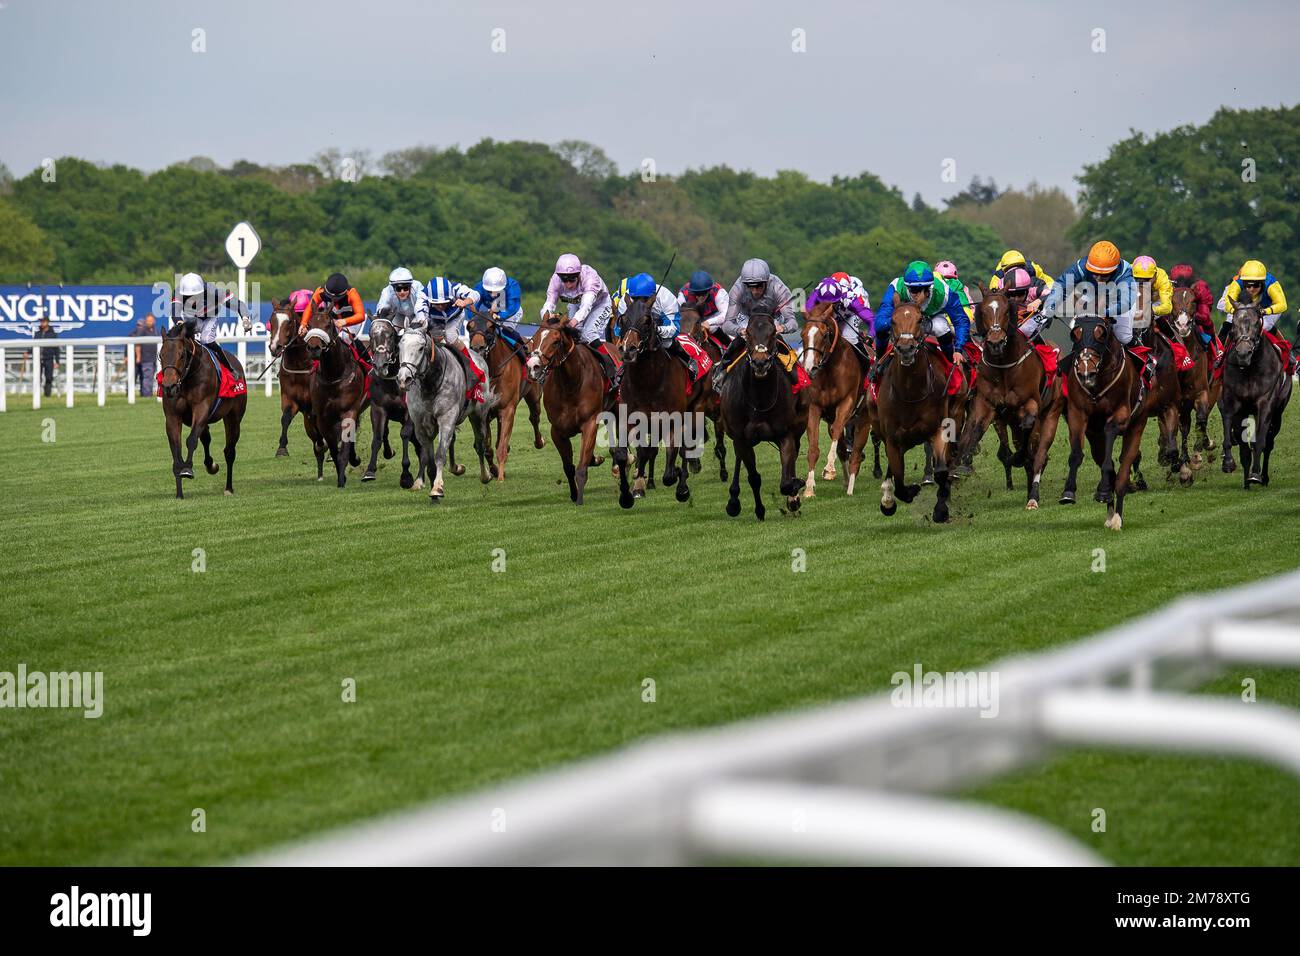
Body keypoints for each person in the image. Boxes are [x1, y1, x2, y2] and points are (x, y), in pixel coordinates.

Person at [1033, 240, 1149, 376]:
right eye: (1094, 273)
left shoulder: (1125, 273)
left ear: (1115, 269)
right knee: (1080, 332)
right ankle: (1070, 372)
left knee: (1123, 336)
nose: (1098, 278)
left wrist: (1104, 313)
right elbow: (1061, 286)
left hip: (1119, 302)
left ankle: (1144, 363)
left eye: (1104, 275)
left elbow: (1125, 302)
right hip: (1093, 295)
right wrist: (1048, 309)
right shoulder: (1082, 266)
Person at [870, 260, 971, 382]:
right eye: (913, 290)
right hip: (905, 320)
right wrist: (898, 321)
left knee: (941, 328)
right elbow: (881, 318)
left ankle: (950, 363)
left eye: (924, 289)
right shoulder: (896, 287)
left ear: (930, 286)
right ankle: (879, 361)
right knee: (881, 327)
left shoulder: (944, 292)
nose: (918, 294)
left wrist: (959, 349)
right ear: (907, 286)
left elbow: (960, 321)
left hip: (932, 318)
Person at [710, 258, 800, 391]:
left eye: (759, 286)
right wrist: (740, 331)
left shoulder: (778, 287)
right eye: (750, 286)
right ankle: (721, 372)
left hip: (772, 318)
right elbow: (727, 324)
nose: (755, 291)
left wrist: (782, 328)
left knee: (777, 342)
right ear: (744, 284)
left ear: (766, 281)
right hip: (748, 318)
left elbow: (793, 322)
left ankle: (798, 379)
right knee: (738, 342)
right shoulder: (738, 289)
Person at [540, 252, 619, 384]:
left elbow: (585, 307)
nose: (569, 284)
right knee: (571, 338)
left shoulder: (590, 278)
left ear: (579, 275)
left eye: (572, 279)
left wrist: (571, 325)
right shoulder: (555, 280)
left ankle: (612, 370)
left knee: (588, 334)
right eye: (564, 280)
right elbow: (549, 303)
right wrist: (547, 317)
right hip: (576, 303)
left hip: (599, 304)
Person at [171, 271, 251, 374]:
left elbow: (237, 304)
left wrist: (245, 318)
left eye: (195, 295)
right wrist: (179, 322)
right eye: (188, 296)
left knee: (206, 340)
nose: (191, 299)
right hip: (191, 318)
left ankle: (229, 368)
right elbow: (175, 311)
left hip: (209, 318)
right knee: (182, 341)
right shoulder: (178, 292)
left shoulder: (212, 292)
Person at [620, 271, 697, 374]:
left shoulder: (666, 298)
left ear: (653, 296)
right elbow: (618, 330)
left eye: (644, 299)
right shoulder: (625, 301)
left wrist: (656, 329)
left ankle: (689, 362)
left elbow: (674, 329)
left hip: (661, 328)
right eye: (636, 299)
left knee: (668, 343)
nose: (640, 303)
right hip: (637, 330)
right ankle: (619, 375)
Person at [299, 272, 371, 365]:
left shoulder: (352, 293)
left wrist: (344, 321)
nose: (332, 299)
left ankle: (366, 361)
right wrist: (303, 324)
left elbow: (360, 316)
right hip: (333, 320)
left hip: (352, 321)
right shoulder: (320, 291)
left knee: (344, 338)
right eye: (330, 297)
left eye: (336, 298)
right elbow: (309, 308)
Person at [803, 275, 874, 360]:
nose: (829, 306)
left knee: (849, 338)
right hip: (834, 310)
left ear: (839, 299)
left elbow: (872, 321)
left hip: (850, 314)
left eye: (833, 303)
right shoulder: (816, 294)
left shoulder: (852, 300)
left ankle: (867, 363)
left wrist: (871, 336)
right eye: (824, 303)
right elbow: (808, 315)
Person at [1217, 259, 1288, 335]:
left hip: (1267, 310)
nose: (1252, 289)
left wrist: (1265, 311)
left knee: (1263, 326)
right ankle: (1219, 345)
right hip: (1242, 310)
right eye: (1248, 285)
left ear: (1262, 283)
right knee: (1229, 324)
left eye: (1256, 285)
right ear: (1243, 282)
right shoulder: (1236, 283)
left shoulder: (1271, 284)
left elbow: (1282, 305)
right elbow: (1228, 302)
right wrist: (1234, 310)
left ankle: (1284, 346)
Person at [464, 266, 526, 353]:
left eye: (497, 291)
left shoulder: (512, 286)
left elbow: (512, 308)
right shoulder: (479, 287)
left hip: (511, 312)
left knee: (505, 330)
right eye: (489, 291)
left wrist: (499, 316)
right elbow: (473, 305)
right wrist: (475, 318)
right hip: (492, 311)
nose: (493, 295)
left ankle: (523, 348)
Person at [1169, 263, 1220, 360]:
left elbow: (1205, 315)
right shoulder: (1167, 287)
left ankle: (1213, 351)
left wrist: (1191, 316)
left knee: (1208, 323)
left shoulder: (1200, 288)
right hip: (1174, 317)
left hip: (1194, 316)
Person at [1131, 255, 1171, 346]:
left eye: (1147, 279)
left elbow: (1167, 307)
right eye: (1137, 279)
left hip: (1156, 301)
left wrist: (1150, 310)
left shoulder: (1162, 279)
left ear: (1155, 275)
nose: (1142, 282)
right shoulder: (1128, 272)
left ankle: (1174, 340)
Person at [677, 270, 731, 335]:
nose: (699, 297)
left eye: (702, 294)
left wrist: (708, 322)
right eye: (696, 293)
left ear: (709, 290)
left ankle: (728, 344)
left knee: (713, 328)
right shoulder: (684, 293)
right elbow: (675, 311)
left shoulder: (719, 293)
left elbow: (726, 315)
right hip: (695, 318)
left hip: (715, 316)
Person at [989, 250, 1054, 296]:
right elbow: (993, 296)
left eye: (1020, 267)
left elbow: (1051, 283)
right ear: (1004, 271)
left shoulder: (1033, 269)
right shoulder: (998, 277)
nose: (1016, 271)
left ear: (1024, 265)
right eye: (1011, 269)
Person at [132, 313, 159, 397]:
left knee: (151, 377)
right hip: (145, 358)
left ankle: (147, 393)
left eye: (151, 321)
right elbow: (137, 344)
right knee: (147, 377)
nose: (149, 322)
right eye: (148, 321)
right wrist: (138, 356)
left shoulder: (156, 331)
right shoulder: (142, 330)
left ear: (154, 321)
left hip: (154, 358)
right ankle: (147, 395)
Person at [34, 314, 58, 397]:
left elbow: (56, 349)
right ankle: (37, 394)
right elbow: (33, 346)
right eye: (41, 321)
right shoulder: (37, 334)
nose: (42, 323)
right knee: (37, 377)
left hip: (49, 359)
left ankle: (47, 394)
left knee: (49, 377)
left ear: (47, 322)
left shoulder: (53, 335)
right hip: (38, 358)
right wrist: (27, 352)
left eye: (43, 321)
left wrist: (57, 361)